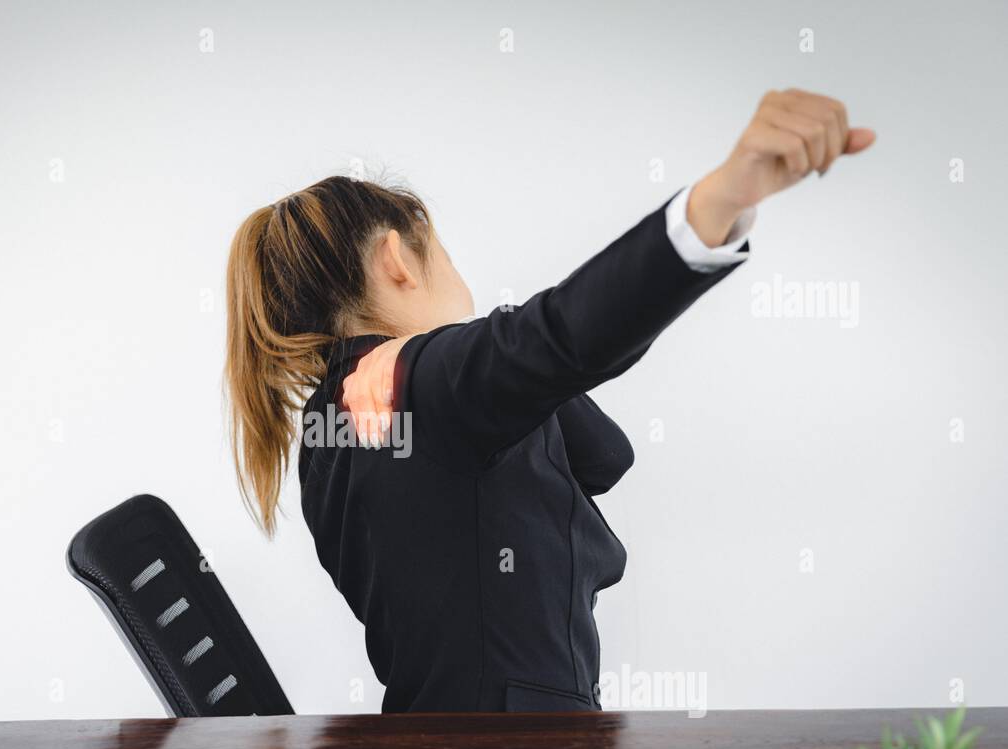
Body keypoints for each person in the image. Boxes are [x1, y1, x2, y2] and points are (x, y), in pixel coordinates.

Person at [224, 89, 874, 712]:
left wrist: (443, 355)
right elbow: (563, 336)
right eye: (444, 252)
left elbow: (605, 456)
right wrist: (721, 199)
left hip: (437, 745)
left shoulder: (328, 426)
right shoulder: (423, 384)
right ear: (398, 258)